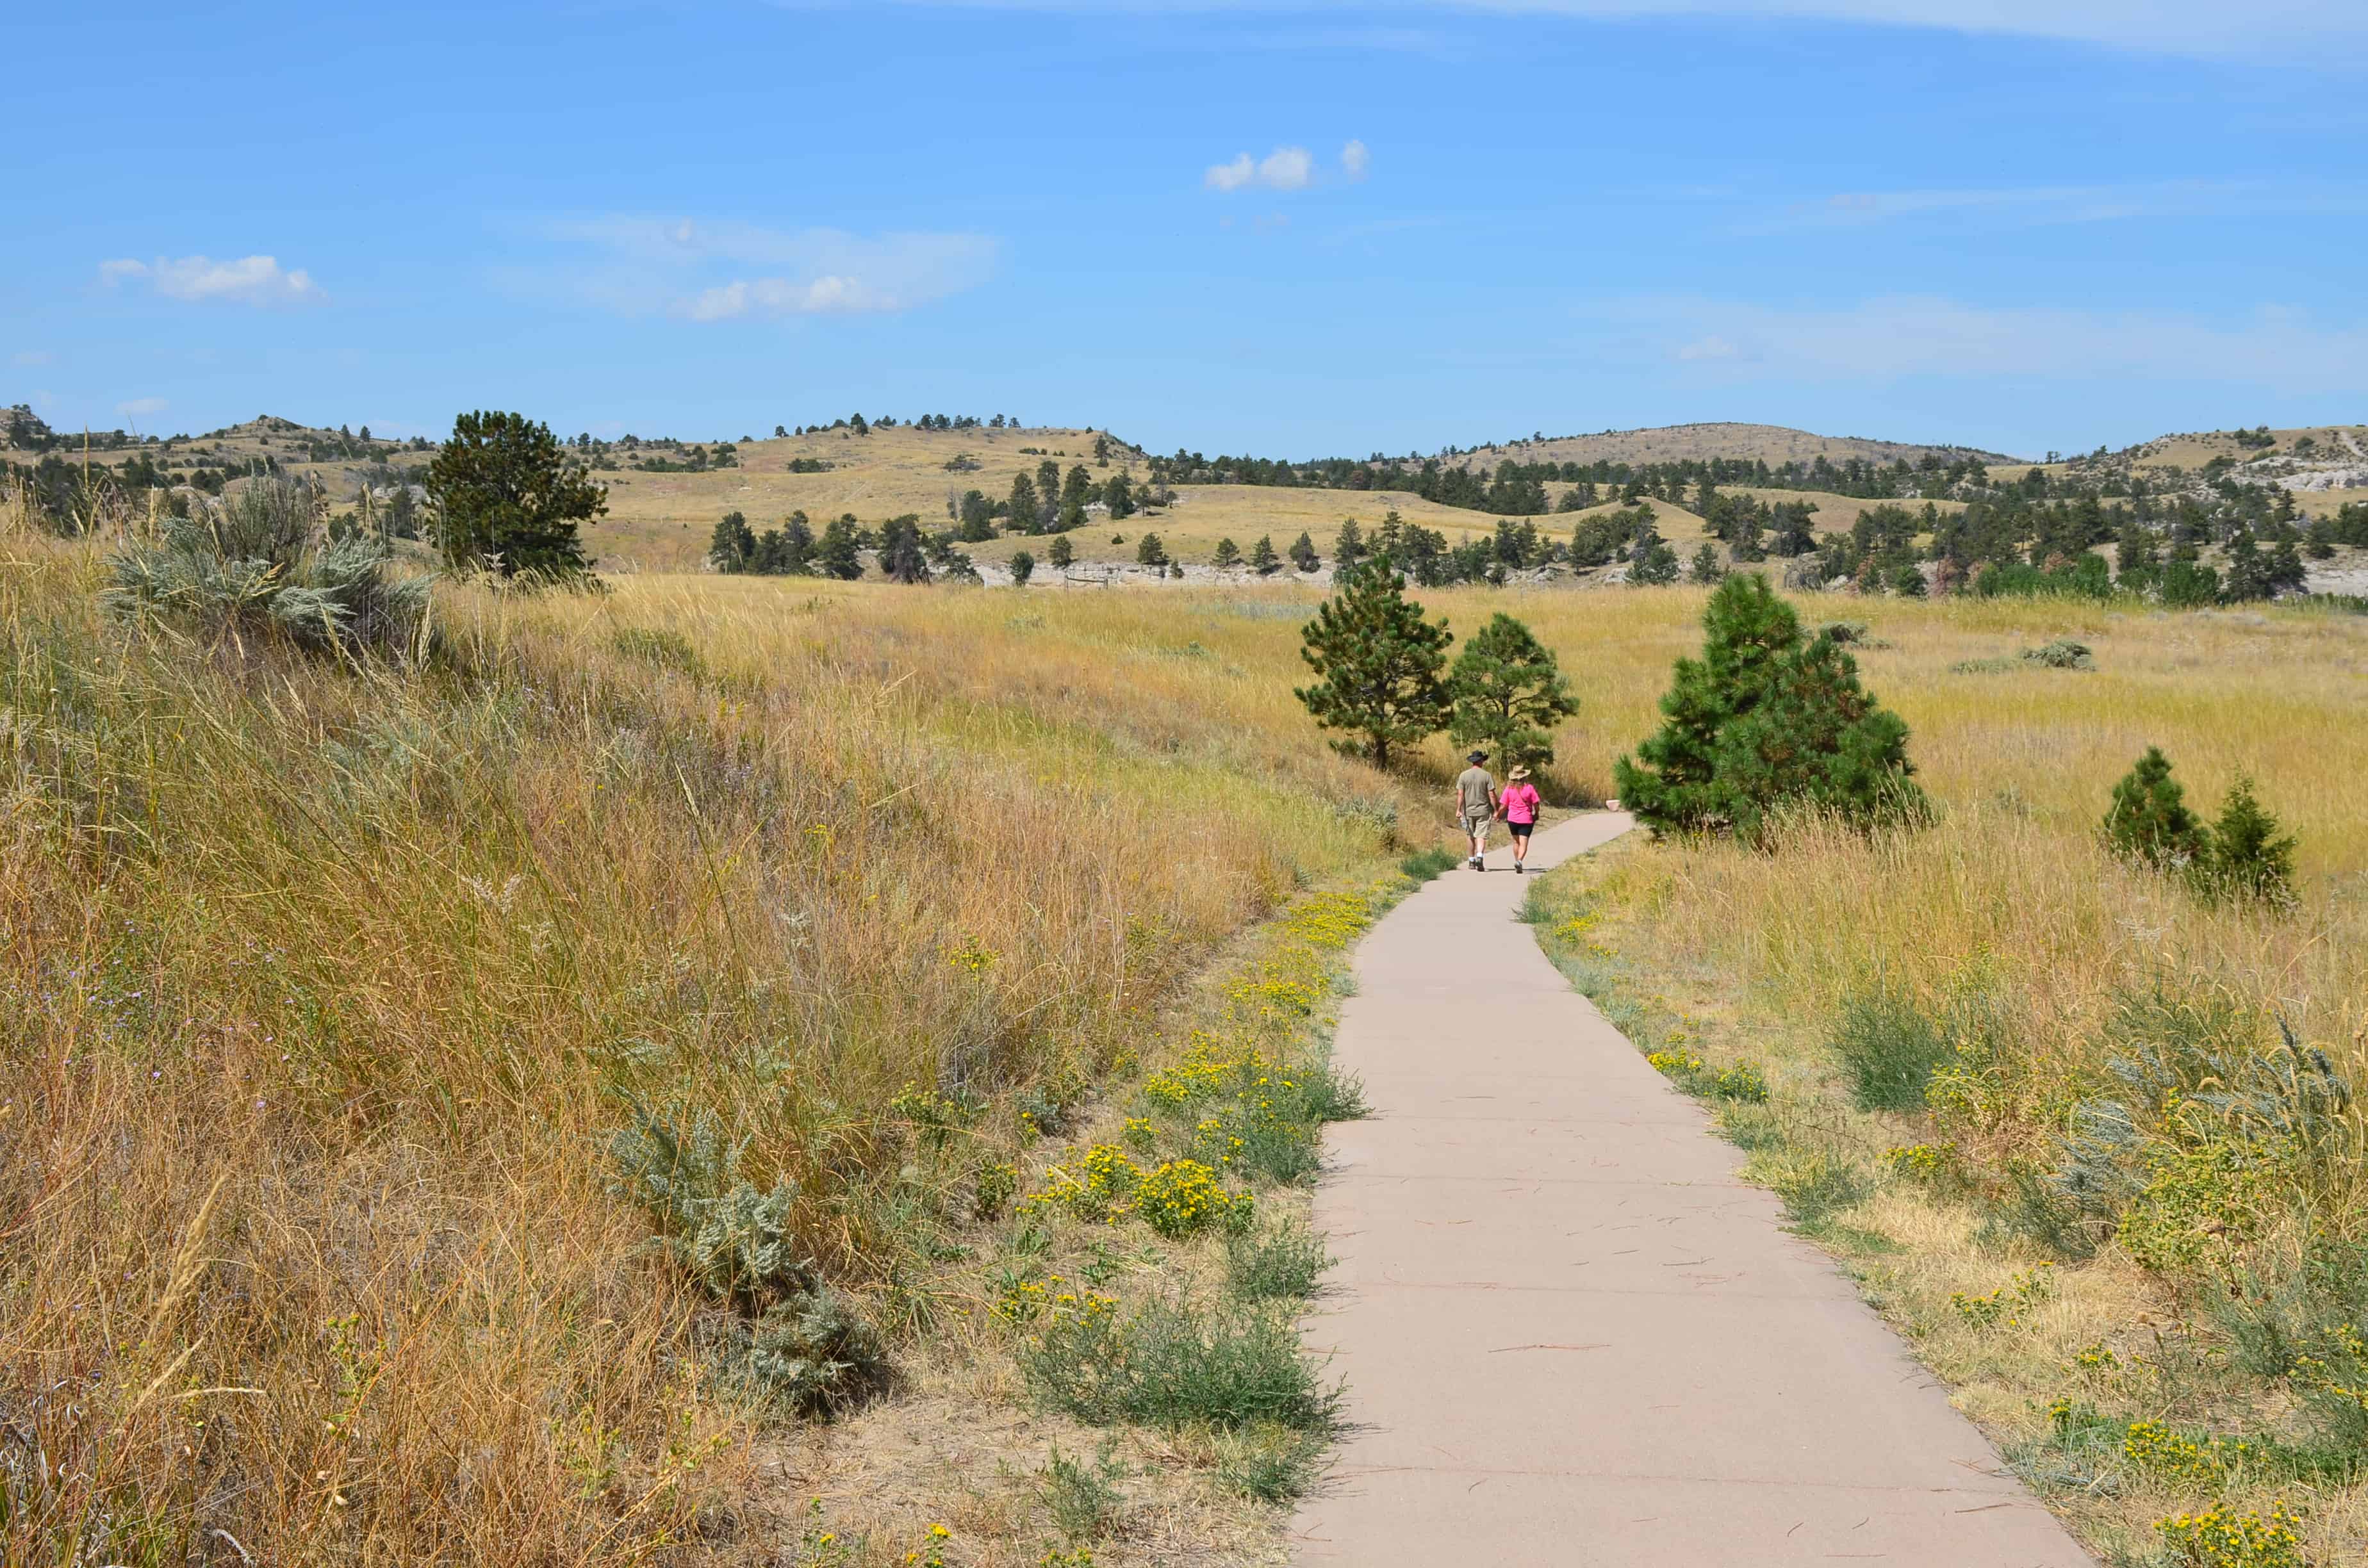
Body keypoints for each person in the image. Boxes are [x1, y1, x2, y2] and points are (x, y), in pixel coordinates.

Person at [1454, 749, 1497, 870]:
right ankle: (1480, 857)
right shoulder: (1486, 775)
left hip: (1468, 811)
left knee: (1470, 835)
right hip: (1483, 810)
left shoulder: (1463, 775)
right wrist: (1496, 810)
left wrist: (1459, 809)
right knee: (1481, 836)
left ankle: (1471, 861)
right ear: (1481, 761)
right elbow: (1492, 795)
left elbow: (1460, 795)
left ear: (1472, 761)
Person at [1497, 765, 1542, 874]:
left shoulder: (1509, 789)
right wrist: (1536, 813)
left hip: (1512, 819)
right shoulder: (1529, 788)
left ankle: (1517, 861)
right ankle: (1520, 861)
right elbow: (1536, 803)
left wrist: (1498, 815)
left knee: (1516, 842)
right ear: (1524, 777)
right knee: (1524, 843)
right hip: (1526, 819)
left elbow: (1503, 805)